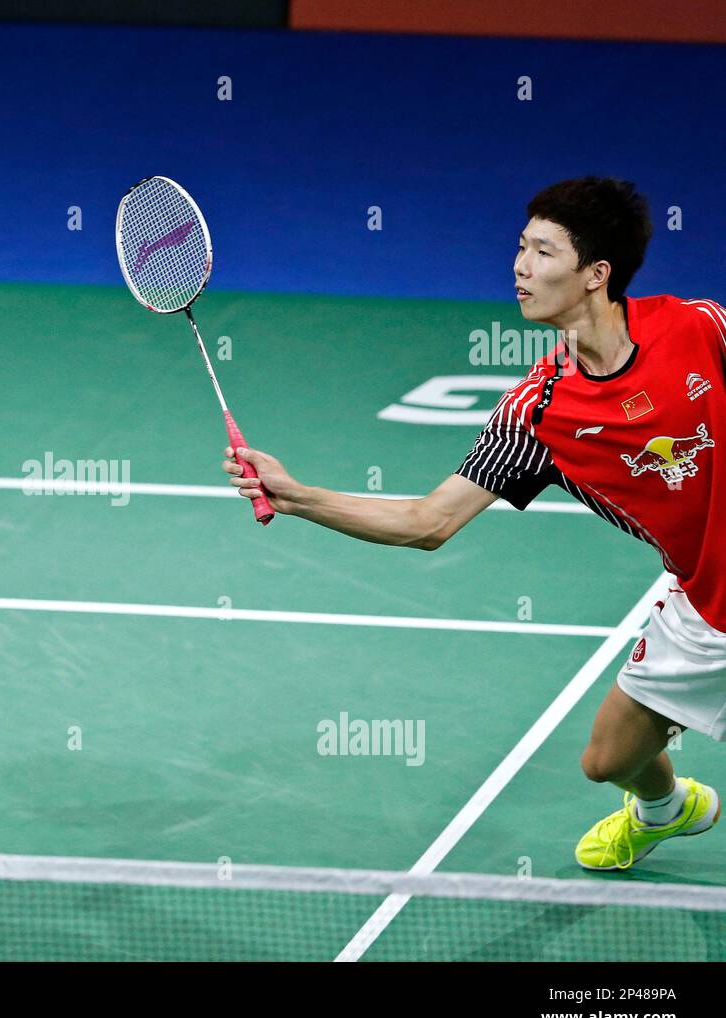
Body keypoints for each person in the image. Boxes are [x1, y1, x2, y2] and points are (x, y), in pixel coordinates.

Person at [224, 176, 724, 872]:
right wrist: (297, 494)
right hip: (705, 601)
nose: (520, 266)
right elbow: (429, 521)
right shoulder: (538, 413)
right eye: (520, 247)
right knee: (607, 760)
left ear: (595, 275)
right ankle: (669, 810)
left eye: (543, 252)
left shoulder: (697, 326)